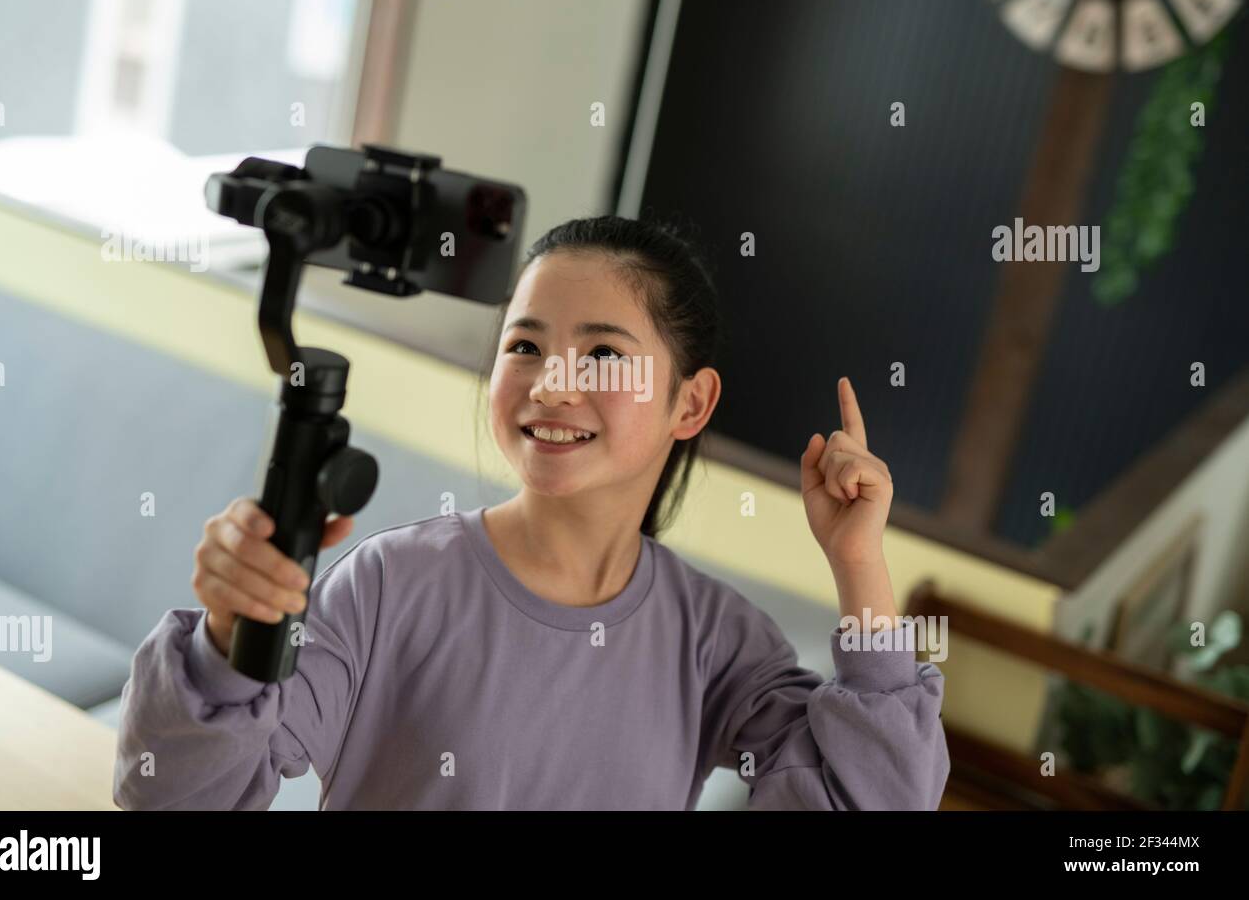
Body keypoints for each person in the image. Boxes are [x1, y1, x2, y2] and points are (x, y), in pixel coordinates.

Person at [112, 215, 949, 810]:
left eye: (603, 354)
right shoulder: (390, 584)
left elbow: (870, 797)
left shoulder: (716, 642)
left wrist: (858, 566)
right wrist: (230, 637)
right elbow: (178, 796)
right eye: (525, 345)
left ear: (689, 404)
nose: (552, 383)